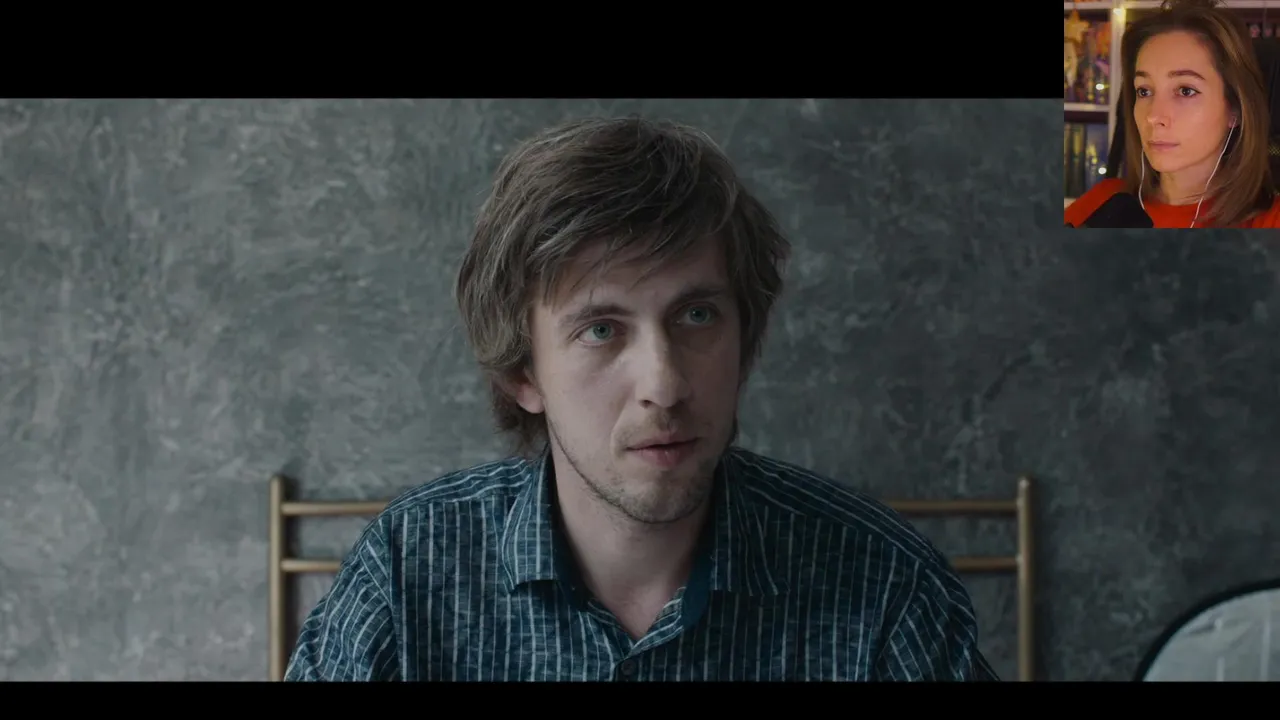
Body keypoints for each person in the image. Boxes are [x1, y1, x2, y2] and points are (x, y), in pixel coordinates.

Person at [284, 115, 1000, 682]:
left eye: (697, 316)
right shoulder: (409, 572)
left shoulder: (883, 583)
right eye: (601, 329)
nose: (664, 384)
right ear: (522, 373)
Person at [1065, 0, 1280, 228]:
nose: (1153, 116)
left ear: (1235, 108)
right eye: (1144, 91)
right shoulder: (1102, 203)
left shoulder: (1269, 222)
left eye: (1186, 91)